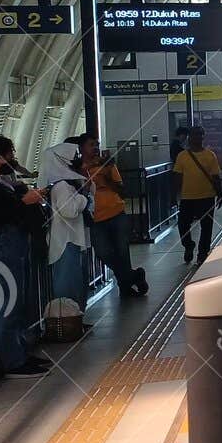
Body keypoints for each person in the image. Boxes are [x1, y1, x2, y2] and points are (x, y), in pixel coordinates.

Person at [0, 135, 49, 376]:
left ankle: (20, 352)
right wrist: (24, 201)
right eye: (7, 156)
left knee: (18, 302)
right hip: (2, 250)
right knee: (7, 304)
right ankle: (11, 361)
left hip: (14, 247)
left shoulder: (3, 181)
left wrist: (24, 197)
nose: (12, 160)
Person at [81, 136, 147, 299]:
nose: (95, 148)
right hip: (95, 218)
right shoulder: (77, 168)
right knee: (103, 252)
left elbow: (122, 190)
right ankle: (134, 276)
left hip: (116, 213)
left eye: (97, 144)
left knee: (122, 252)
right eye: (91, 145)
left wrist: (106, 179)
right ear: (81, 148)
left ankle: (126, 288)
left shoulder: (108, 165)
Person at [42, 140, 93, 339]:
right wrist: (84, 196)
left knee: (77, 283)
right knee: (67, 286)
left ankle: (75, 322)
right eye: (75, 157)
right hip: (66, 242)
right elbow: (69, 210)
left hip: (73, 240)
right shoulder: (62, 186)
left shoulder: (67, 183)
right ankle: (65, 325)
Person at [173, 125, 222, 264]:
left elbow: (215, 176)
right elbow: (177, 176)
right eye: (195, 135)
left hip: (206, 196)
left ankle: (202, 253)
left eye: (200, 135)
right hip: (187, 197)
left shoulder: (210, 155)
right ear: (190, 137)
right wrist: (174, 196)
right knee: (183, 226)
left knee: (206, 227)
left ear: (203, 137)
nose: (197, 137)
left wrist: (219, 194)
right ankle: (188, 245)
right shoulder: (182, 156)